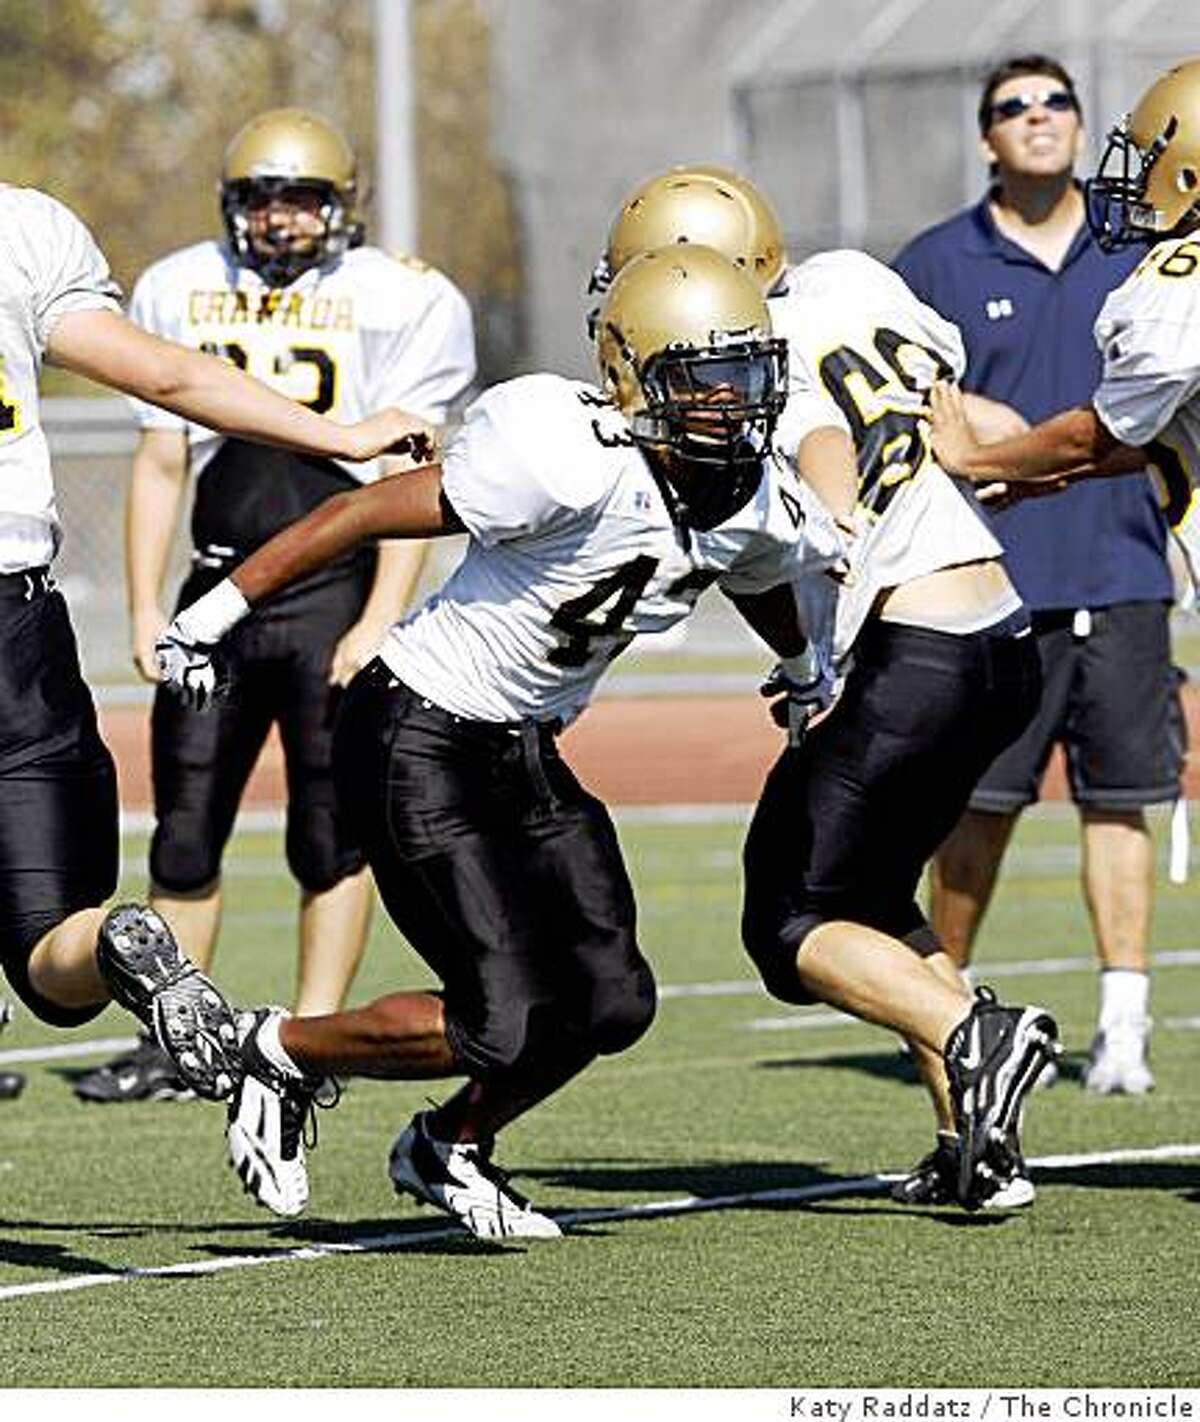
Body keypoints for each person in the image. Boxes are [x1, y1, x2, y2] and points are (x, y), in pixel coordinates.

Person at [151, 243, 848, 1234]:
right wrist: (214, 612)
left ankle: (452, 1146)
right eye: (708, 382)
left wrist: (802, 666)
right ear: (637, 378)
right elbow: (356, 512)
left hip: (521, 749)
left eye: (749, 378)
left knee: (614, 1000)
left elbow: (756, 571)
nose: (736, 405)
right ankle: (281, 1047)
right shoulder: (562, 456)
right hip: (413, 733)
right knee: (498, 1015)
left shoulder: (748, 494)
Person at [592, 167, 1060, 1213]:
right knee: (872, 897)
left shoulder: (737, 359)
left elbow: (817, 435)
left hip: (911, 646)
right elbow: (954, 408)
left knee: (791, 919)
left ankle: (973, 1032)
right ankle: (976, 1149)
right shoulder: (854, 280)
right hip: (997, 630)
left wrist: (838, 534)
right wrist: (1008, 451)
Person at [73, 108, 476, 1104]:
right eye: (260, 198)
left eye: (301, 198)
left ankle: (304, 1040)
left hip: (332, 595)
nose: (281, 218)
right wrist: (140, 610)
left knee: (329, 833)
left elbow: (404, 478)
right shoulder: (178, 283)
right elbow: (162, 456)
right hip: (215, 585)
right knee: (184, 824)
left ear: (343, 206)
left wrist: (383, 612)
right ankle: (177, 1039)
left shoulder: (403, 296)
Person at [0, 181, 419, 1102]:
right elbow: (171, 378)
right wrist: (341, 433)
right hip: (17, 629)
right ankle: (114, 944)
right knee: (50, 959)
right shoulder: (20, 227)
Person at [894, 55, 1179, 1106]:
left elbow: (1113, 431)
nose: (1042, 120)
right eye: (1015, 106)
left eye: (1058, 101)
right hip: (991, 585)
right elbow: (912, 402)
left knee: (1119, 802)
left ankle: (1123, 1028)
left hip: (1121, 566)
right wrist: (976, 430)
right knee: (977, 805)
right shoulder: (935, 262)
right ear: (986, 137)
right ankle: (938, 1000)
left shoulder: (1147, 256)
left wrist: (1014, 453)